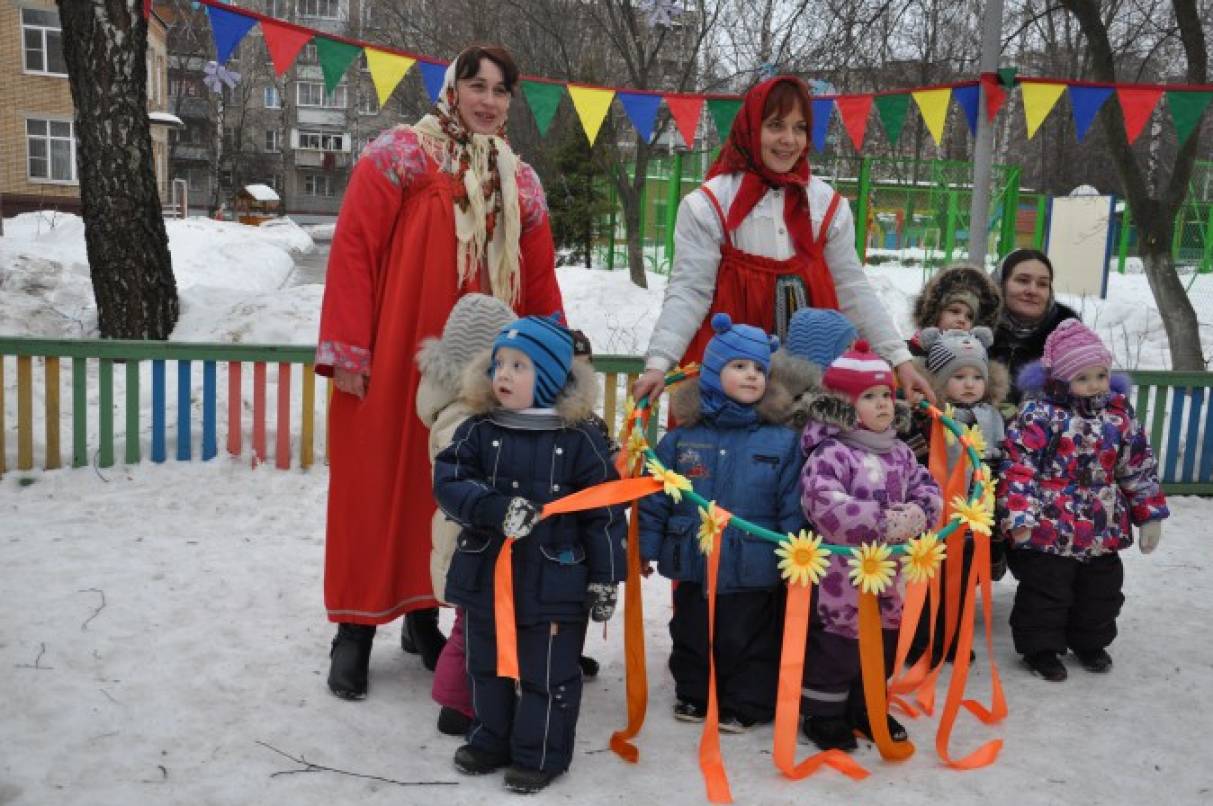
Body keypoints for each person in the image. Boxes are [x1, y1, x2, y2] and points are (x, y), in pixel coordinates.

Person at [315, 45, 564, 700]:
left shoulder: (520, 182)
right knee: (373, 488)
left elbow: (537, 283)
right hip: (394, 356)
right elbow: (355, 248)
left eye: (501, 90)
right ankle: (353, 630)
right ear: (451, 90)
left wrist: (556, 357)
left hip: (482, 367)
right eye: (475, 85)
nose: (488, 99)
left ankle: (424, 617)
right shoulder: (400, 154)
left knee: (449, 490)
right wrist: (347, 349)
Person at [633, 76, 933, 407]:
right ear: (751, 128)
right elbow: (689, 291)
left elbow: (853, 289)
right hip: (734, 374)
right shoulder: (710, 204)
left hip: (813, 371)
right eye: (775, 125)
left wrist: (899, 359)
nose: (789, 139)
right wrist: (659, 362)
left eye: (799, 127)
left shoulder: (824, 205)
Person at [434, 315, 627, 794]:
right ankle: (489, 739)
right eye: (499, 363)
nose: (503, 374)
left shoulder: (580, 438)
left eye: (519, 366)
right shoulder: (479, 429)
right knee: (486, 663)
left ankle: (540, 754)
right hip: (486, 574)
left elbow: (603, 513)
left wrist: (606, 579)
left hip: (555, 581)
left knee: (548, 673)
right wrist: (494, 508)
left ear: (549, 377)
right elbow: (449, 481)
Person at [638, 314, 804, 732]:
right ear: (713, 373)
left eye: (759, 370)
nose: (752, 376)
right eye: (739, 367)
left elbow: (791, 500)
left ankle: (746, 702)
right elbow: (656, 496)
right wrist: (644, 546)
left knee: (748, 636)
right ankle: (694, 693)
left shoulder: (781, 440)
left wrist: (797, 552)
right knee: (691, 631)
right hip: (694, 559)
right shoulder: (681, 437)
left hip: (755, 562)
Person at [997, 319, 1168, 682]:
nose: (1094, 384)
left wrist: (1149, 516)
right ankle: (1040, 648)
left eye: (1101, 374)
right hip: (1049, 524)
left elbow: (1137, 467)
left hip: (1102, 523)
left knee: (1102, 590)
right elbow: (1019, 468)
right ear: (1060, 380)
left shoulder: (1119, 416)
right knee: (1046, 591)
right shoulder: (1040, 415)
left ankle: (1090, 641)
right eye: (1083, 377)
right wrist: (1020, 517)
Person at [798, 340, 942, 751]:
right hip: (840, 583)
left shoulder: (899, 452)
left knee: (882, 642)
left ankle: (866, 705)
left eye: (886, 395)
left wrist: (920, 512)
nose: (882, 405)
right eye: (869, 397)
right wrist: (882, 522)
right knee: (838, 647)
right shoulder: (831, 453)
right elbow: (824, 504)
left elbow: (927, 487)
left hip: (890, 580)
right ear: (843, 405)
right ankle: (823, 713)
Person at [415, 293, 517, 737]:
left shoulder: (462, 411)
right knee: (470, 629)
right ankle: (456, 704)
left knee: (479, 624)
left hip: (476, 540)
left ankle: (478, 695)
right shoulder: (461, 420)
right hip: (469, 541)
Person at [905, 327, 1010, 665]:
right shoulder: (927, 417)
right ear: (936, 380)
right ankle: (922, 641)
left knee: (962, 581)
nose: (969, 384)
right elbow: (913, 460)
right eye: (958, 376)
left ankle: (953, 637)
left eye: (976, 376)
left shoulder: (992, 417)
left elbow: (1001, 458)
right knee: (924, 580)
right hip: (933, 519)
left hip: (972, 517)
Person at [988, 249, 1078, 403]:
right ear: (1000, 283)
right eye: (1022, 280)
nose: (1032, 290)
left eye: (1042, 284)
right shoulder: (972, 330)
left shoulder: (1069, 339)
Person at [906, 263, 1002, 356]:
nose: (962, 320)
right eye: (955, 311)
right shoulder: (907, 354)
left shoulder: (975, 358)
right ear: (935, 313)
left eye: (969, 317)